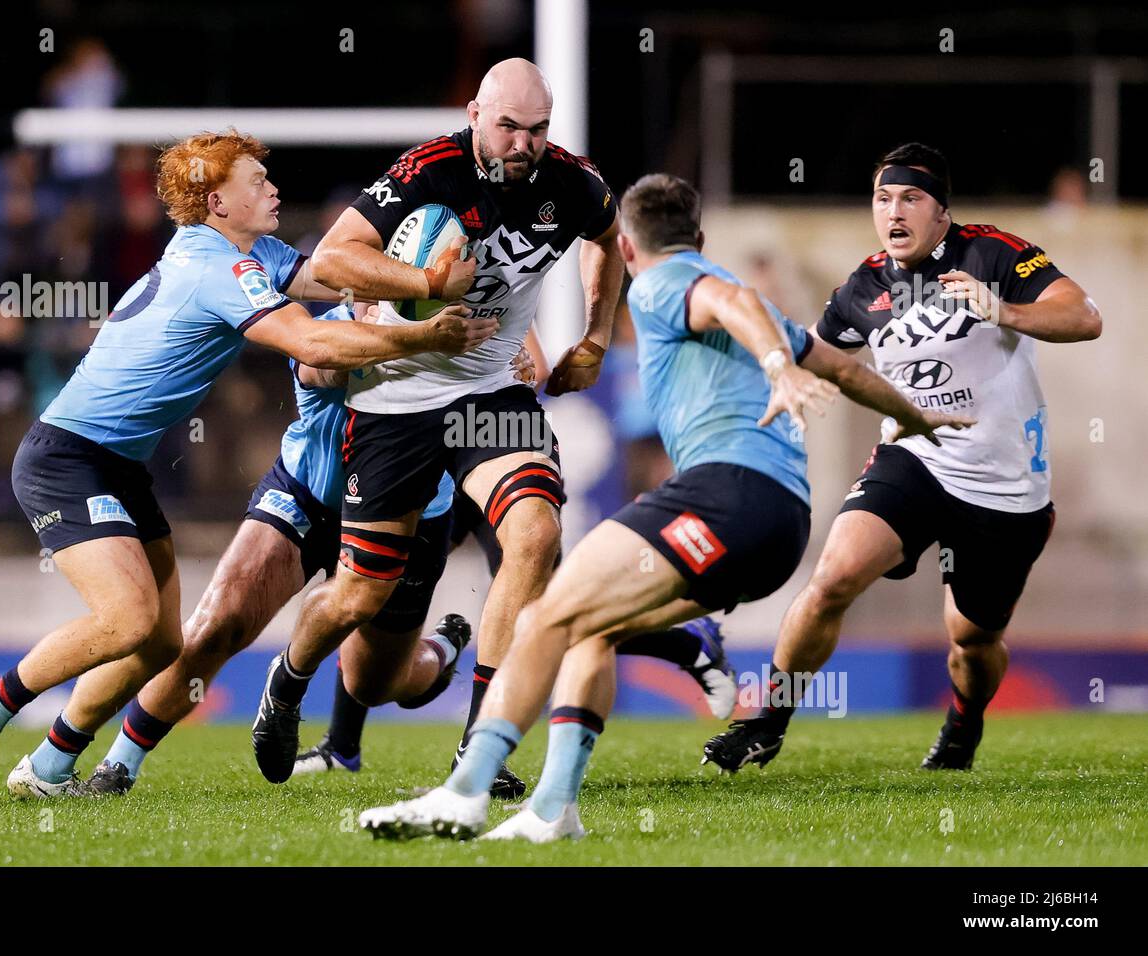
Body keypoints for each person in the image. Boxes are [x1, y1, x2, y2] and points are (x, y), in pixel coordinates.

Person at [357, 172, 972, 841]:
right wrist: (917, 418)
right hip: (781, 527)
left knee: (546, 614)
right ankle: (554, 809)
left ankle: (465, 792)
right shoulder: (741, 304)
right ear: (701, 236)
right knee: (592, 630)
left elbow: (728, 296)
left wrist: (772, 364)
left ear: (624, 247)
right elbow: (848, 370)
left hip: (724, 496)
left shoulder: (661, 283)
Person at [0, 130, 495, 804]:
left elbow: (330, 273)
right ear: (216, 201)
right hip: (68, 457)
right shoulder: (220, 269)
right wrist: (426, 322)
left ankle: (52, 769)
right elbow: (312, 339)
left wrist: (424, 279)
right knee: (129, 619)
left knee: (162, 643)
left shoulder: (242, 250)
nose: (273, 189)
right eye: (257, 181)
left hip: (119, 464)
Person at [250, 58, 625, 798]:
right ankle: (287, 681)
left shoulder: (574, 183)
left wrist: (596, 337)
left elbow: (609, 240)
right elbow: (333, 259)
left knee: (535, 537)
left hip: (490, 395)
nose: (524, 143)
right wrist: (426, 285)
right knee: (359, 596)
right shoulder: (427, 170)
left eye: (538, 129)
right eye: (509, 126)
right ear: (475, 113)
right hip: (395, 398)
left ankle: (481, 749)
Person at [704, 143, 1100, 773]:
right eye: (883, 198)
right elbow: (820, 357)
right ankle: (766, 720)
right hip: (914, 457)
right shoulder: (861, 288)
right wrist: (776, 375)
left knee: (972, 640)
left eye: (911, 197)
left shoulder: (992, 253)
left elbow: (1084, 316)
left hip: (1003, 484)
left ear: (941, 212)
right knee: (833, 576)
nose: (894, 211)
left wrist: (1004, 310)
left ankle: (964, 725)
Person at [83, 303, 528, 794]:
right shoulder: (328, 324)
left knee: (374, 685)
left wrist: (514, 363)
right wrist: (422, 341)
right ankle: (120, 763)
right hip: (307, 495)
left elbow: (525, 358)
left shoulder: (462, 319)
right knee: (217, 623)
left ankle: (441, 651)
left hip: (411, 515)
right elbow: (321, 366)